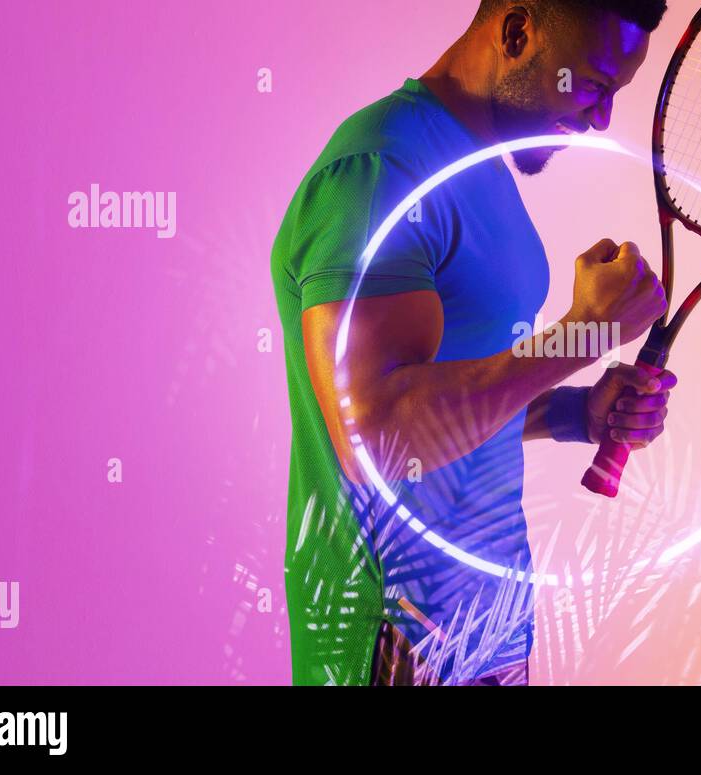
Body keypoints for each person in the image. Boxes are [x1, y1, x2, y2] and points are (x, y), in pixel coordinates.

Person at [271, 0, 675, 685]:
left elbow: (455, 403)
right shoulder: (381, 169)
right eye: (594, 84)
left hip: (489, 630)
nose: (600, 118)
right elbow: (383, 434)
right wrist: (584, 333)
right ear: (518, 32)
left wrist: (579, 413)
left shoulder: (479, 171)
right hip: (400, 640)